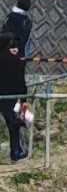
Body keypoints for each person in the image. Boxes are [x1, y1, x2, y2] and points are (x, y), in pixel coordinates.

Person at [0, 32, 29, 162]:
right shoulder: (15, 61)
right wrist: (23, 99)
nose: (15, 48)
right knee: (13, 125)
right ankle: (16, 152)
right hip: (8, 97)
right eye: (13, 45)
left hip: (6, 96)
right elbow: (20, 81)